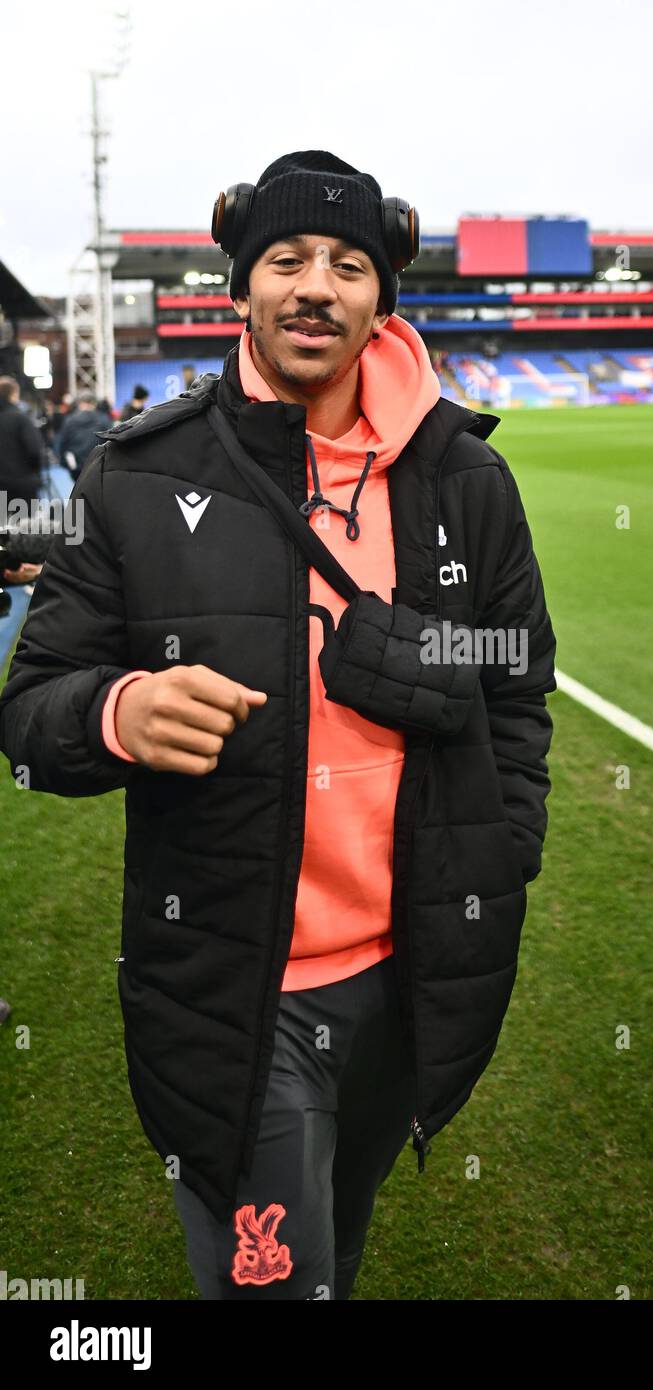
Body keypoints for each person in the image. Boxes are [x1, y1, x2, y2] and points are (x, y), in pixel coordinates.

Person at [0, 149, 557, 1300]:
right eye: (287, 258)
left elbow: (515, 689)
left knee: (338, 1256)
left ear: (380, 295)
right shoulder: (136, 476)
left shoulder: (467, 481)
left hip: (406, 972)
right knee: (275, 1284)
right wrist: (116, 711)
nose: (317, 285)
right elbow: (27, 708)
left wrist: (504, 852)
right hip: (240, 984)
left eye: (349, 263)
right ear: (243, 286)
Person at [0, 376, 46, 512]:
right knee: (23, 529)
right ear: (14, 394)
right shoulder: (21, 418)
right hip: (22, 484)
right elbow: (34, 451)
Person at [55, 390, 112, 478]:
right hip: (98, 466)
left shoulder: (69, 420)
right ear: (94, 403)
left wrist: (65, 464)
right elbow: (111, 442)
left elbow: (63, 444)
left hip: (76, 467)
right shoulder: (104, 420)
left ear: (79, 403)